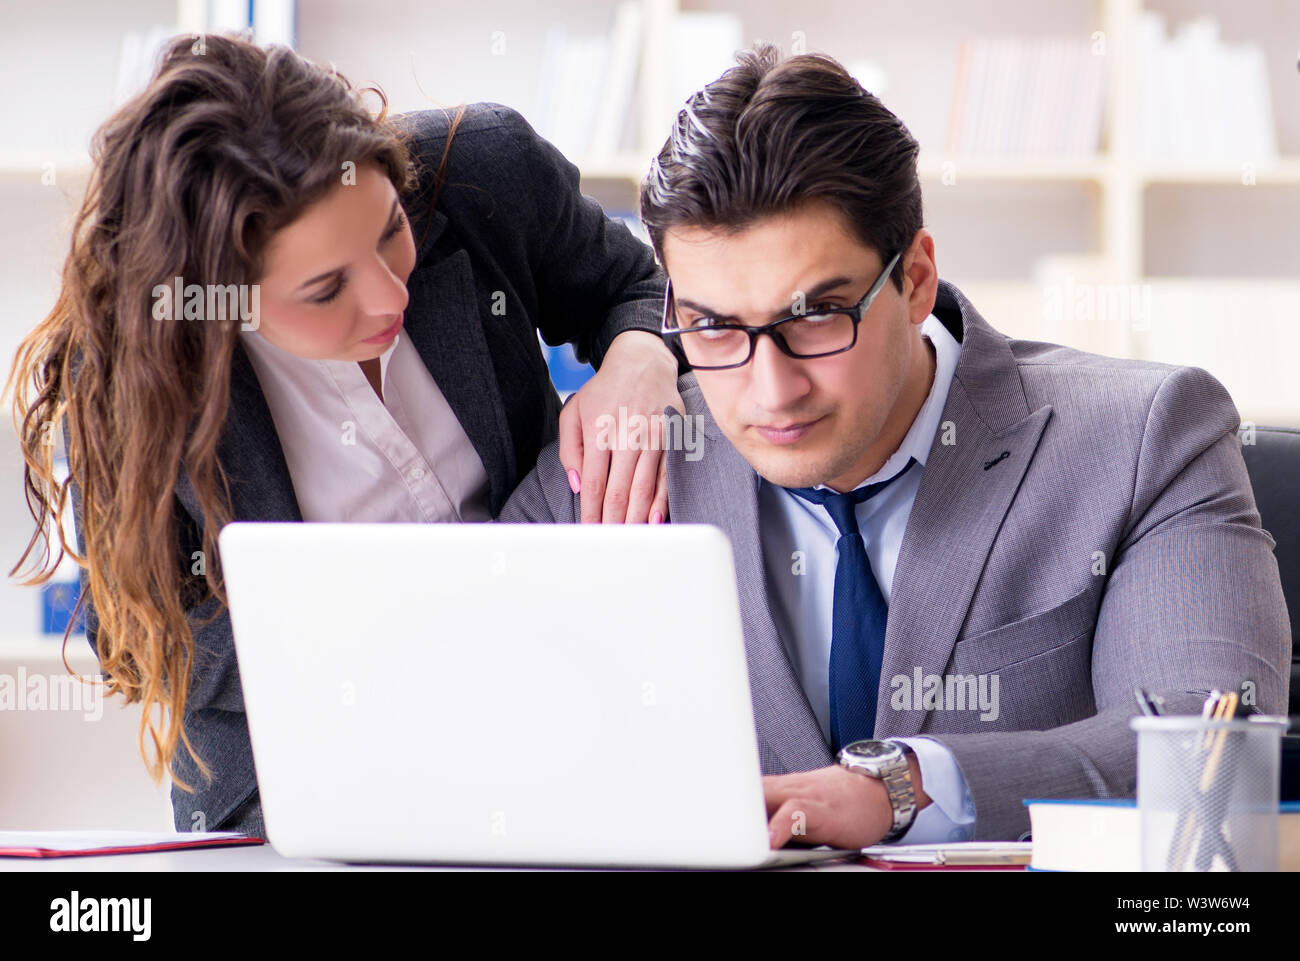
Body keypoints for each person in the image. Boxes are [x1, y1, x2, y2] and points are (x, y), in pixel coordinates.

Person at [499, 43, 1292, 846]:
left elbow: (1209, 755)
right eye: (711, 326)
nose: (771, 391)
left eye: (815, 315)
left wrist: (901, 787)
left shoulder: (1146, 436)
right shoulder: (609, 464)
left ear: (914, 278)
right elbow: (466, 733)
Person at [7, 34, 682, 838]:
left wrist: (641, 359)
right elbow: (126, 633)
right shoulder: (138, 365)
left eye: (390, 229)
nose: (389, 295)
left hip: (558, 710)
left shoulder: (481, 173)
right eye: (325, 288)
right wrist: (362, 629)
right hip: (294, 783)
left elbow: (644, 285)